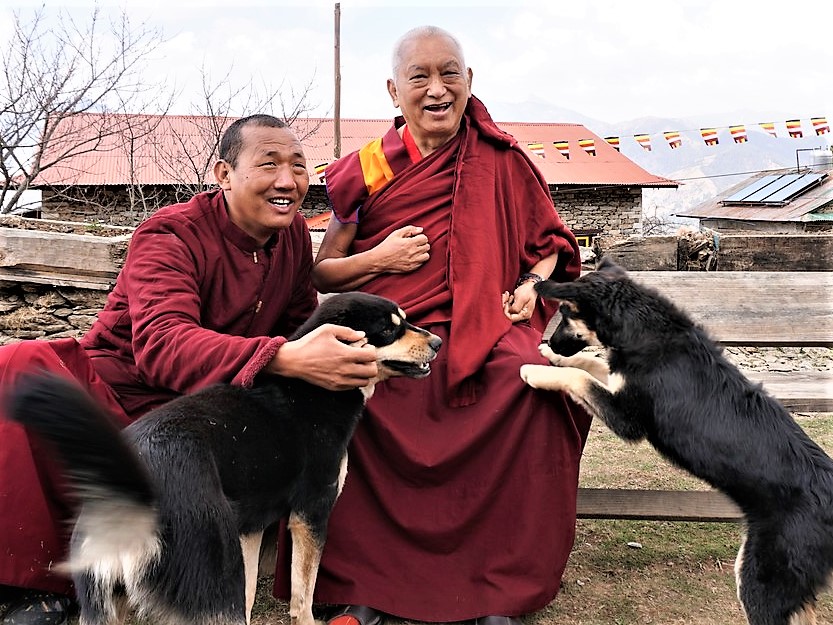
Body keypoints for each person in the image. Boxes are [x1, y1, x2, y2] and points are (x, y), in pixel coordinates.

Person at [0, 114, 379, 625]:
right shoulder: (169, 234)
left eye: (298, 165)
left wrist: (351, 350)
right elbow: (162, 342)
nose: (288, 181)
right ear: (223, 174)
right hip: (122, 394)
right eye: (268, 164)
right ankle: (31, 586)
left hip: (209, 410)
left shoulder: (289, 241)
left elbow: (299, 326)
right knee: (20, 365)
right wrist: (284, 357)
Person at [273, 26, 593, 625]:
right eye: (419, 77)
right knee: (356, 392)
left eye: (450, 73)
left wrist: (532, 285)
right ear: (394, 91)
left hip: (487, 322)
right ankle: (360, 588)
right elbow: (324, 272)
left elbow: (549, 243)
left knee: (526, 389)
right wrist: (380, 259)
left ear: (470, 83)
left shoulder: (503, 157)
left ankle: (497, 590)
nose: (436, 89)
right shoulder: (366, 168)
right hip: (393, 324)